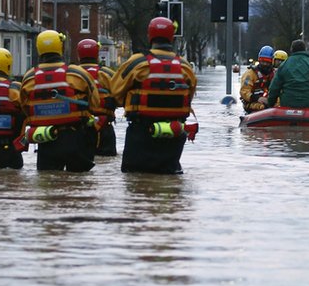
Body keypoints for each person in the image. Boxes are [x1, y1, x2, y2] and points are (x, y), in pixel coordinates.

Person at [109, 17, 198, 174]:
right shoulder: (185, 67)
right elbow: (189, 98)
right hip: (173, 135)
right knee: (170, 179)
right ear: (172, 37)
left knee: (136, 179)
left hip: (141, 133)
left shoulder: (137, 63)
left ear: (149, 36)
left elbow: (115, 91)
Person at [20, 30, 104, 172]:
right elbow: (95, 103)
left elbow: (24, 108)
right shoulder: (77, 73)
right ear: (60, 47)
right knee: (79, 181)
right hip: (75, 137)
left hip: (45, 140)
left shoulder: (29, 78)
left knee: (48, 181)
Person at [76, 38, 118, 156]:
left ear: (79, 55)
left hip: (78, 129)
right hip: (105, 128)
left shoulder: (72, 75)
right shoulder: (107, 74)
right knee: (107, 160)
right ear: (97, 54)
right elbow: (120, 95)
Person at [261, 40, 309, 110]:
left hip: (287, 104)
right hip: (308, 105)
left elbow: (274, 87)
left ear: (292, 50)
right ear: (305, 49)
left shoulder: (284, 65)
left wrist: (270, 103)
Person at [240, 45, 275, 112]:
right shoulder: (250, 74)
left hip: (269, 102)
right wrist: (258, 98)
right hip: (253, 102)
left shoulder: (275, 74)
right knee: (262, 107)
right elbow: (244, 91)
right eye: (263, 61)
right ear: (259, 60)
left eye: (267, 62)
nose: (265, 64)